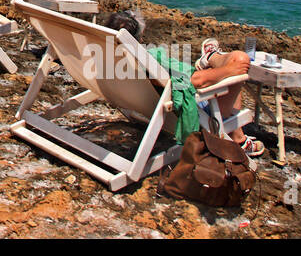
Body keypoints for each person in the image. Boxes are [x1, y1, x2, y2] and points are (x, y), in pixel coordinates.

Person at [106, 12, 264, 158]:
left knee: (230, 65)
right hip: (183, 109)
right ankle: (211, 57)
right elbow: (195, 81)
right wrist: (230, 70)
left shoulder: (106, 57)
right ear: (139, 39)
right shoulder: (148, 59)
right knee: (240, 59)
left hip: (145, 102)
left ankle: (210, 59)